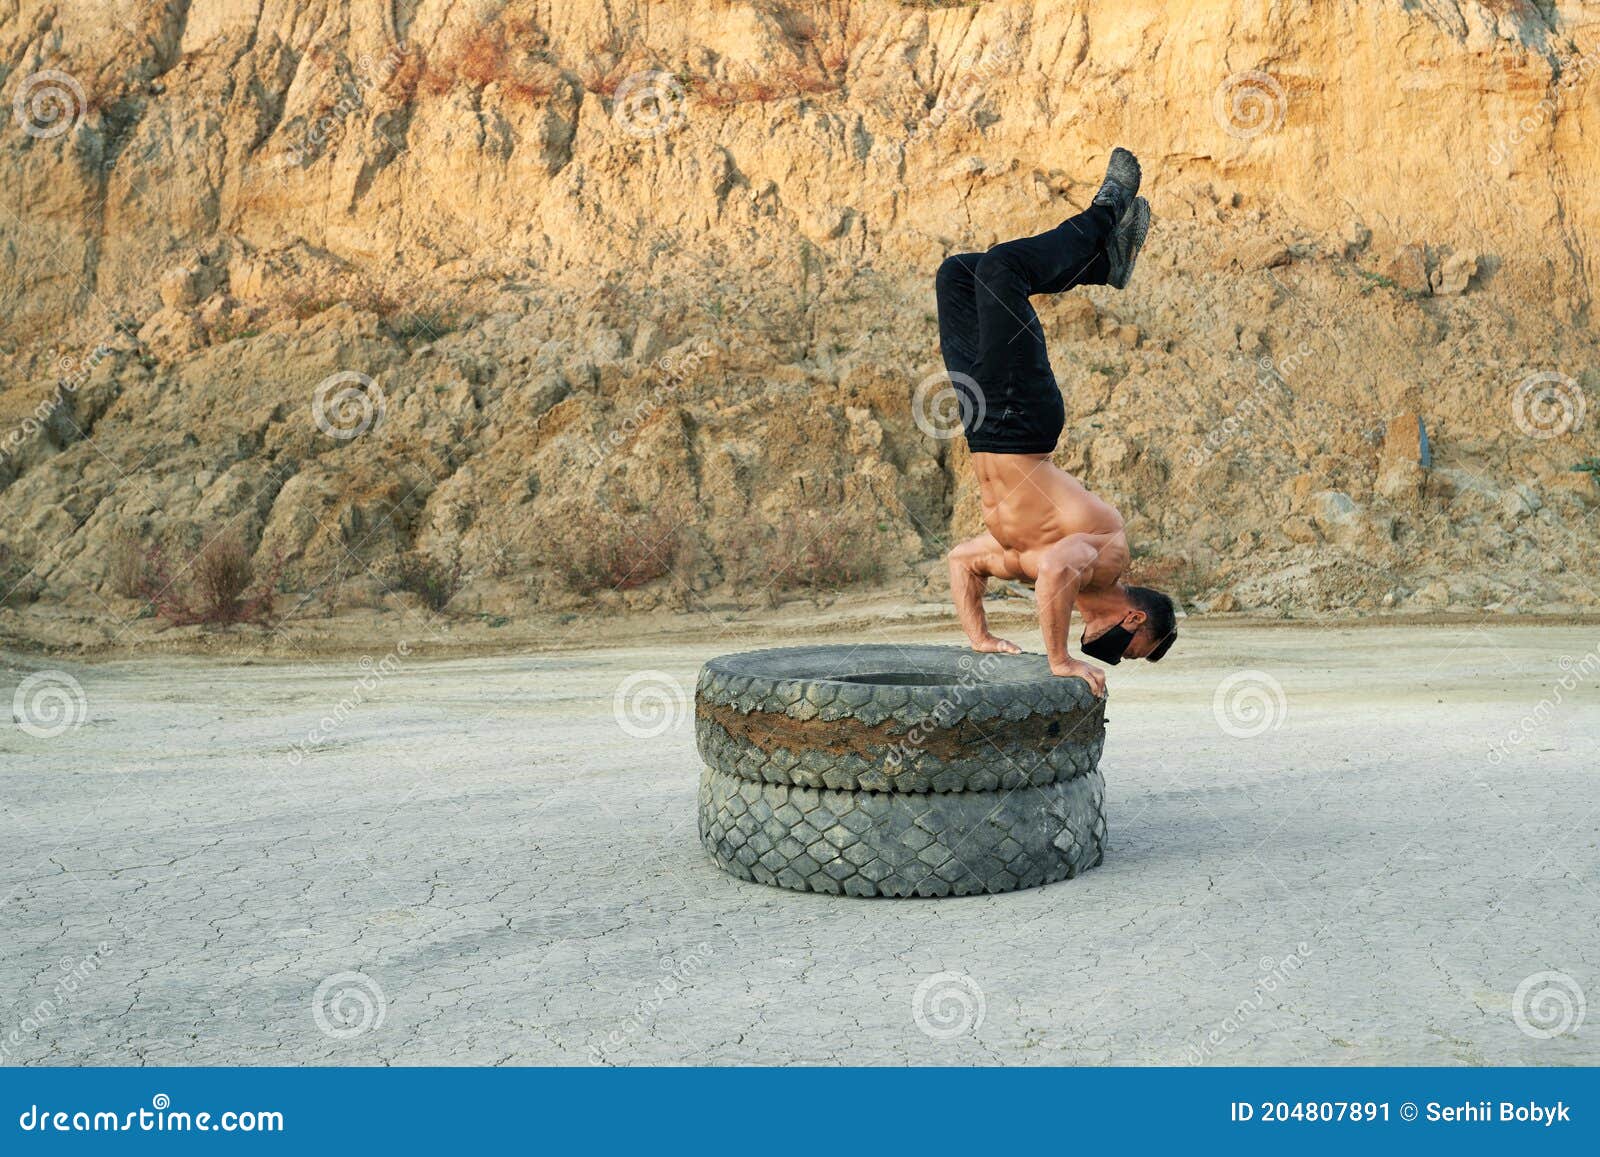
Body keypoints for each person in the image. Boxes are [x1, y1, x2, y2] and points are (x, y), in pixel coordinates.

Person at [937, 148, 1176, 697]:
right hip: (1023, 420)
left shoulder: (1029, 559)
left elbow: (963, 562)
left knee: (959, 275)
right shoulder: (1106, 556)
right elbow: (1057, 574)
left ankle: (1102, 266)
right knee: (1003, 269)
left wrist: (980, 637)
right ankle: (1106, 210)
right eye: (1127, 652)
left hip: (982, 424)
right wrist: (1061, 657)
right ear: (1134, 620)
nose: (1115, 658)